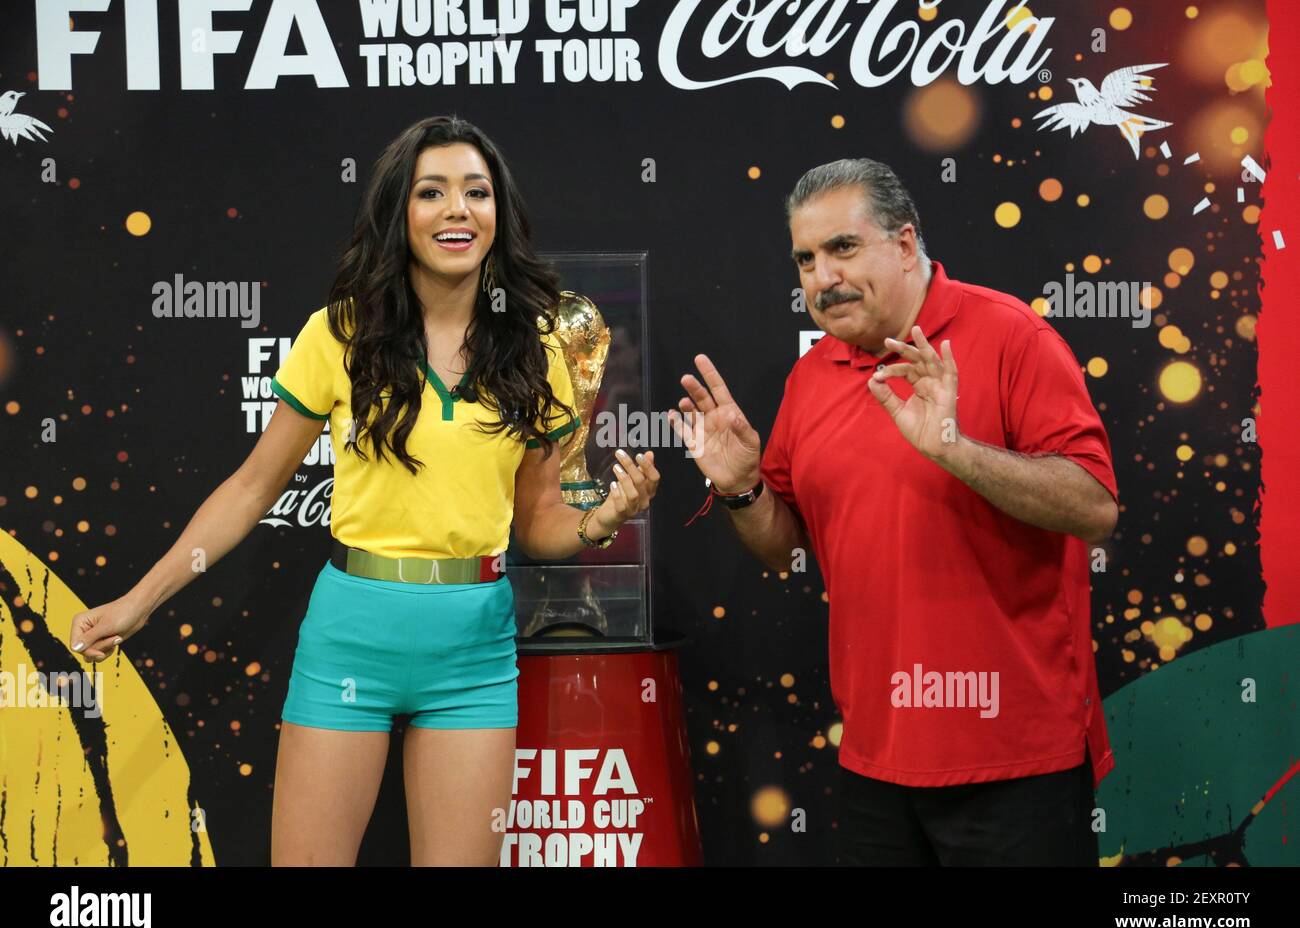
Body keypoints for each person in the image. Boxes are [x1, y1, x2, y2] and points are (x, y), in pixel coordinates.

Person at [66, 116, 660, 866]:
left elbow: (538, 523)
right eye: (431, 193)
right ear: (398, 214)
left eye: (476, 193)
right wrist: (136, 602)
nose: (457, 211)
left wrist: (603, 516)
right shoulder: (341, 333)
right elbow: (251, 488)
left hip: (474, 647)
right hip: (352, 635)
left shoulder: (537, 347)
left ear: (499, 214)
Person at [672, 158, 1118, 866]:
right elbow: (786, 548)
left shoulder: (1010, 336)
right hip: (874, 761)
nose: (822, 277)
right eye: (806, 259)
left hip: (1014, 761)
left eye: (843, 249)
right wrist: (743, 489)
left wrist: (954, 449)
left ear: (906, 244)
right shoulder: (812, 374)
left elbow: (1095, 508)